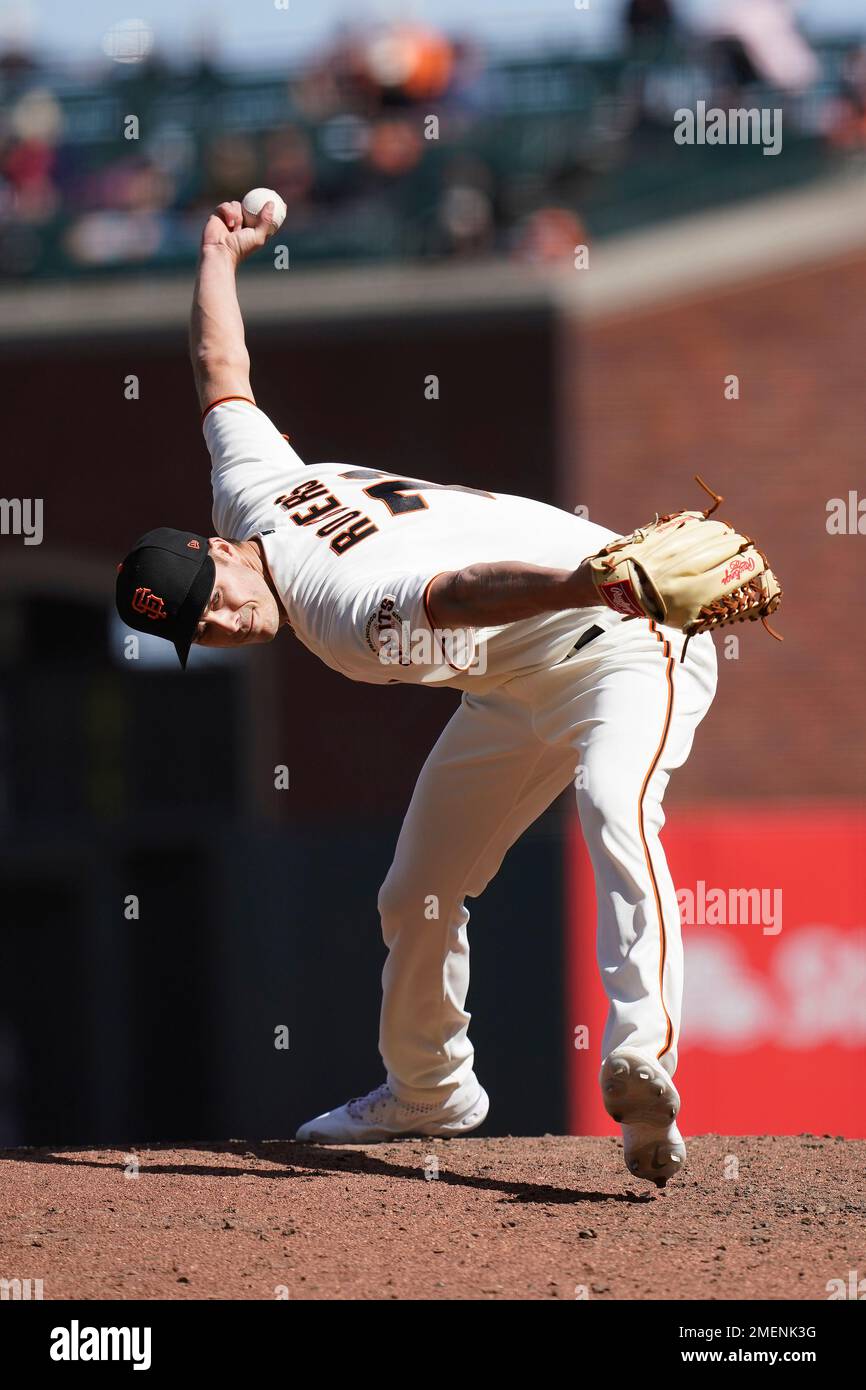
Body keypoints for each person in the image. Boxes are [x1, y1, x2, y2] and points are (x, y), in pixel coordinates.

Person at [116, 201, 718, 1186]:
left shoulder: (339, 610)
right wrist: (215, 252)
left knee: (613, 803)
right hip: (514, 675)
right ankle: (429, 1087)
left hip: (625, 633)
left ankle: (640, 1051)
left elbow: (461, 593)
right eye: (196, 631)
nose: (219, 624)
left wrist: (591, 580)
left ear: (219, 549)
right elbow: (219, 373)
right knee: (417, 889)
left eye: (207, 599)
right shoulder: (254, 489)